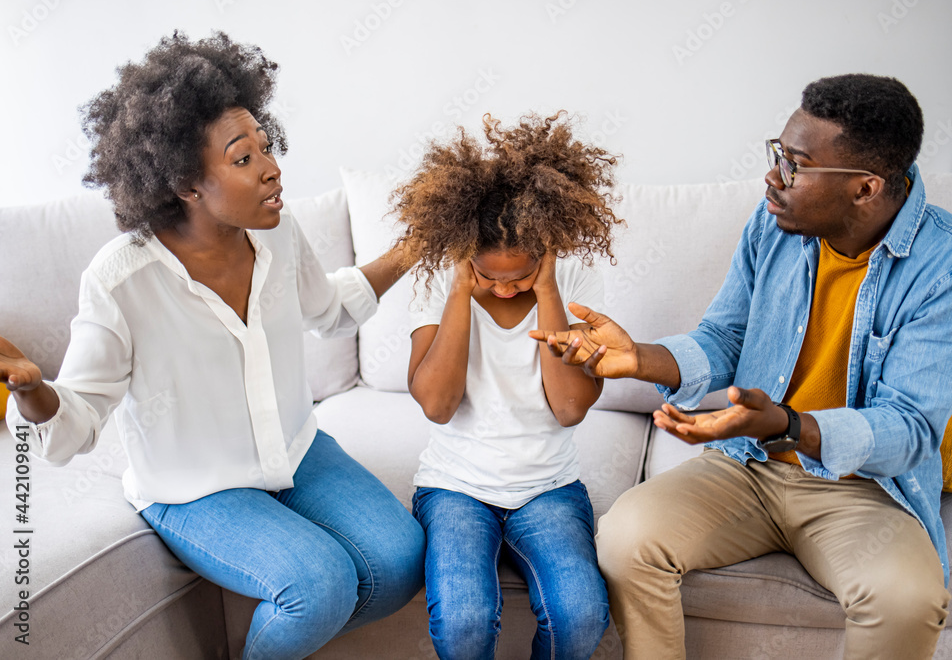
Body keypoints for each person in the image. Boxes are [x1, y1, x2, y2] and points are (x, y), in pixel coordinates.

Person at [530, 74, 952, 659]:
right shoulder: (775, 224)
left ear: (865, 187)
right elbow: (726, 335)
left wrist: (785, 424)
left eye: (796, 165)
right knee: (626, 540)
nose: (773, 178)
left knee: (905, 598)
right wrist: (639, 359)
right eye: (778, 154)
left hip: (863, 490)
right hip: (747, 467)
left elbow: (909, 429)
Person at [0, 32, 424, 660]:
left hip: (297, 451)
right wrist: (33, 391)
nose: (273, 168)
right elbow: (80, 418)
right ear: (185, 183)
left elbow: (329, 309)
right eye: (243, 158)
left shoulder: (280, 237)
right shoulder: (120, 280)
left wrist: (413, 247)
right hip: (195, 489)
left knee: (400, 561)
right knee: (317, 585)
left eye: (266, 147)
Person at [396, 112, 622, 659]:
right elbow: (437, 404)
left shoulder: (569, 281)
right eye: (487, 275)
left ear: (546, 251)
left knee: (581, 615)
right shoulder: (444, 285)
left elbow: (569, 407)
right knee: (464, 622)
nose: (501, 288)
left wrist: (546, 291)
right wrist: (457, 293)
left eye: (518, 274)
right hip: (455, 488)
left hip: (548, 487)